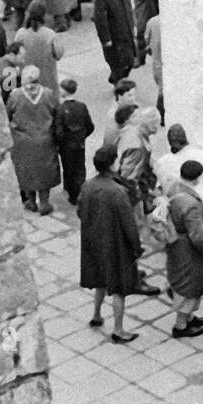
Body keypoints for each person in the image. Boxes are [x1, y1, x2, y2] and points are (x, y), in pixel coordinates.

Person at [77, 145, 142, 341]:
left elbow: (80, 211)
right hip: (116, 245)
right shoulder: (118, 192)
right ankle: (119, 329)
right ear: (113, 164)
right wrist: (136, 247)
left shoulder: (88, 185)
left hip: (93, 241)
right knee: (119, 288)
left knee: (99, 280)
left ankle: (96, 314)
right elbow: (129, 225)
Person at [166, 160, 203, 340]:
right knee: (189, 287)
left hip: (178, 247)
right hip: (189, 253)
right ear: (197, 178)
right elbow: (198, 236)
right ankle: (181, 325)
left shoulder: (174, 187)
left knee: (186, 284)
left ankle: (189, 318)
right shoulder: (190, 204)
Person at [6, 64, 59, 215]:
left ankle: (31, 201)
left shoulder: (15, 95)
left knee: (27, 170)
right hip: (45, 138)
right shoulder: (48, 93)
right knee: (44, 169)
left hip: (23, 140)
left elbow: (8, 113)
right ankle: (44, 202)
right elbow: (56, 112)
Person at [156, 123, 203, 217]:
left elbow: (160, 188)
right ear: (185, 139)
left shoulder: (162, 162)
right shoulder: (200, 154)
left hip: (177, 211)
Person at [93, 0, 137, 86]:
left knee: (129, 60)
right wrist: (106, 39)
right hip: (114, 35)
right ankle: (119, 87)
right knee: (117, 62)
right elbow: (99, 18)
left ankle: (117, 77)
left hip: (126, 30)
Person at [52, 77, 94, 207]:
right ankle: (81, 191)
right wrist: (82, 136)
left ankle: (73, 193)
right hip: (80, 143)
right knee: (80, 167)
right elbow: (90, 126)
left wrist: (59, 144)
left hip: (67, 145)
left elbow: (58, 131)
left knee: (68, 168)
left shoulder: (60, 109)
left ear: (64, 91)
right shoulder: (81, 106)